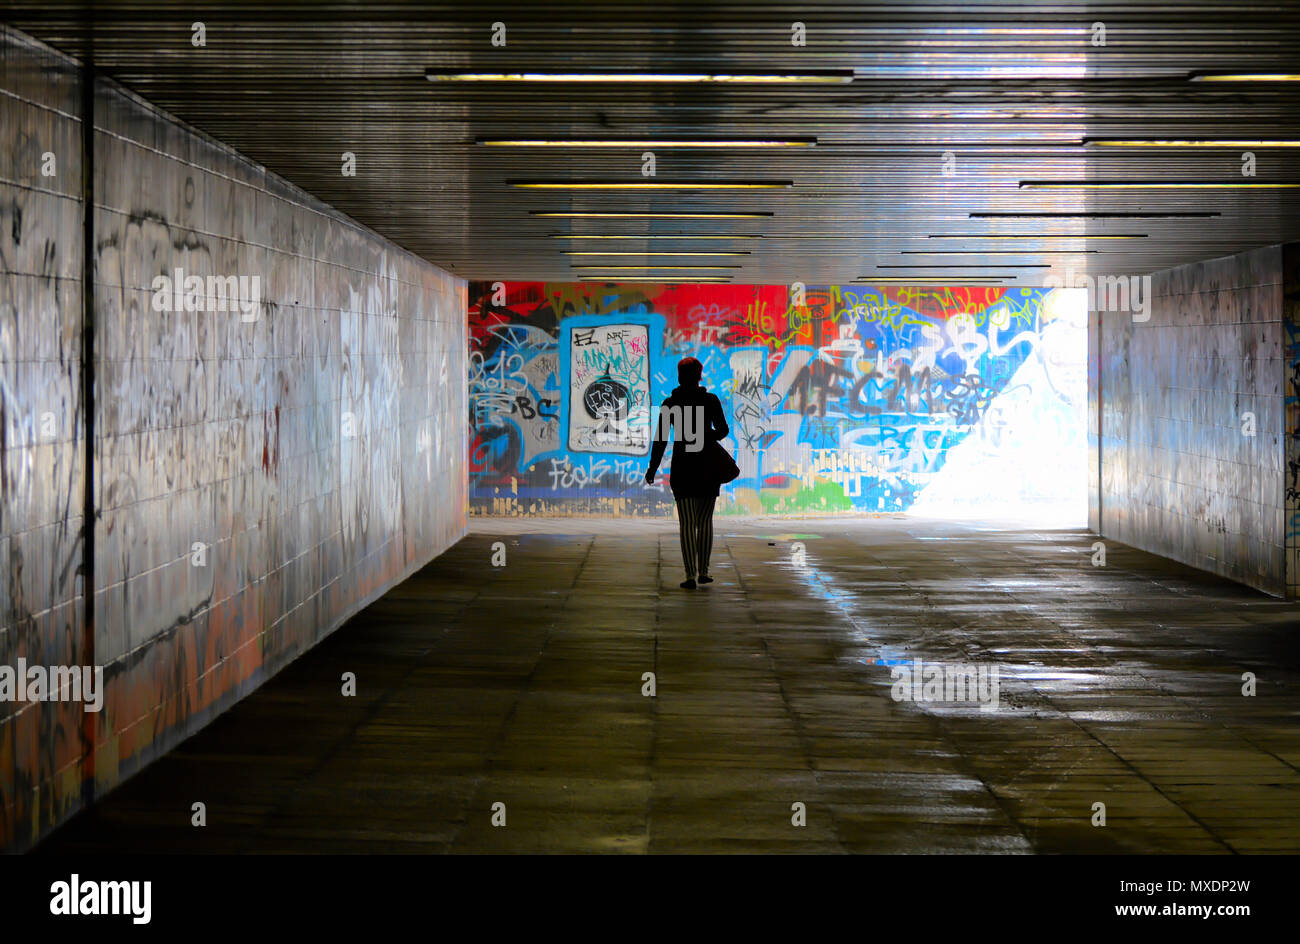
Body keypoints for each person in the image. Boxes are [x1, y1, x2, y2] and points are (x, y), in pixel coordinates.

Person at [644, 357, 730, 589]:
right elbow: (723, 430)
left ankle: (690, 575)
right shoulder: (710, 400)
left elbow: (661, 439)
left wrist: (652, 467)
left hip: (683, 467)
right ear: (700, 376)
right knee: (704, 521)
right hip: (707, 465)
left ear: (680, 377)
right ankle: (704, 571)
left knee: (687, 522)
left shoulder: (670, 404)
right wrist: (704, 436)